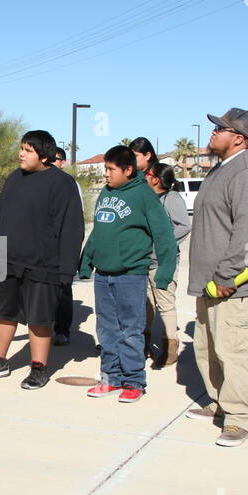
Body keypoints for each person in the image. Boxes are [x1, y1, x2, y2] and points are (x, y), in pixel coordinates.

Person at [185, 108, 248, 447]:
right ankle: (220, 404)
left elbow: (246, 230)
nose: (212, 133)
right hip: (211, 282)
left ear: (238, 137)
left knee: (233, 350)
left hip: (235, 284)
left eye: (219, 128)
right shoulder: (223, 167)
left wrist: (227, 275)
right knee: (208, 347)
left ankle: (238, 419)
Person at [0, 130, 84, 390]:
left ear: (44, 156)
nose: (21, 153)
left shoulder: (61, 184)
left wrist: (67, 271)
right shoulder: (15, 178)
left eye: (28, 150)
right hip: (9, 260)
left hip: (44, 264)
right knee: (4, 313)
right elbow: (0, 213)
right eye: (21, 148)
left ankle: (39, 368)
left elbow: (72, 229)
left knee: (39, 318)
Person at [78, 145, 178, 403]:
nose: (107, 174)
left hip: (131, 276)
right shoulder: (105, 193)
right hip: (104, 276)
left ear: (128, 170)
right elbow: (100, 230)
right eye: (105, 169)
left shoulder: (144, 195)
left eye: (111, 169)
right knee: (106, 328)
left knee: (130, 330)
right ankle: (110, 378)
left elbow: (164, 234)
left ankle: (134, 381)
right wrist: (86, 260)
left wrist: (165, 272)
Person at [143, 162, 191, 369]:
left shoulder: (171, 199)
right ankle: (144, 344)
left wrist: (163, 241)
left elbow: (184, 226)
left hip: (164, 262)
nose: (144, 176)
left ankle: (170, 349)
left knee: (165, 303)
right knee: (145, 304)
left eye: (147, 173)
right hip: (144, 261)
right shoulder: (147, 197)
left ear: (156, 178)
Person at [52, 144, 83, 346]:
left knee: (63, 289)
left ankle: (62, 330)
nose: (51, 162)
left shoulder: (70, 184)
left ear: (62, 162)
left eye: (55, 159)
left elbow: (76, 220)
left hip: (62, 245)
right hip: (44, 246)